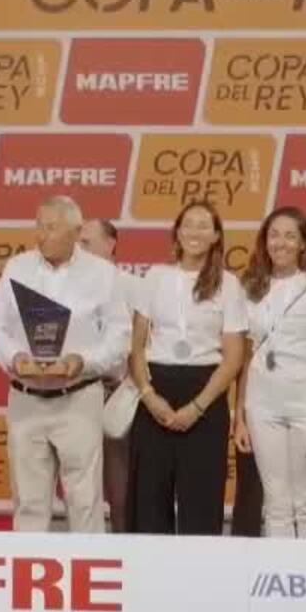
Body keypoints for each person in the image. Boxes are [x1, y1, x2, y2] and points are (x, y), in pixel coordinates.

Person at [0, 197, 130, 533]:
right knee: (29, 502)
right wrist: (14, 358)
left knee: (85, 499)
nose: (40, 235)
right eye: (38, 225)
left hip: (79, 397)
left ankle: (87, 577)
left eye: (50, 227)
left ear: (76, 231)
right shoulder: (16, 267)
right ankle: (28, 577)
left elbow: (119, 336)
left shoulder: (103, 274)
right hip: (26, 398)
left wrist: (84, 361)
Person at [124, 200, 246, 535]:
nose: (195, 231)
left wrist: (197, 406)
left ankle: (199, 580)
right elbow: (135, 347)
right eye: (188, 224)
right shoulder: (155, 277)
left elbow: (234, 356)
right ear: (177, 233)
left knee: (202, 500)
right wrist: (149, 397)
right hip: (156, 388)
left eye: (203, 225)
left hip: (205, 391)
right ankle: (149, 578)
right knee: (149, 499)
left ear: (216, 236)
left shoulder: (229, 283)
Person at [238, 207, 306, 539]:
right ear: (264, 241)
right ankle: (279, 580)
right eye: (274, 235)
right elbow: (248, 356)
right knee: (275, 503)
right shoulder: (251, 288)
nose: (280, 243)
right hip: (262, 407)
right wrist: (240, 416)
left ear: (303, 244)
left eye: (289, 235)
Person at [78, 217, 142, 532]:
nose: (79, 249)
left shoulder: (133, 287)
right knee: (81, 491)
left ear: (110, 244)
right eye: (76, 242)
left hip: (120, 394)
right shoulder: (67, 286)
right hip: (75, 395)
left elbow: (145, 344)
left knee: (122, 493)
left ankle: (125, 555)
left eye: (86, 242)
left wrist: (130, 388)